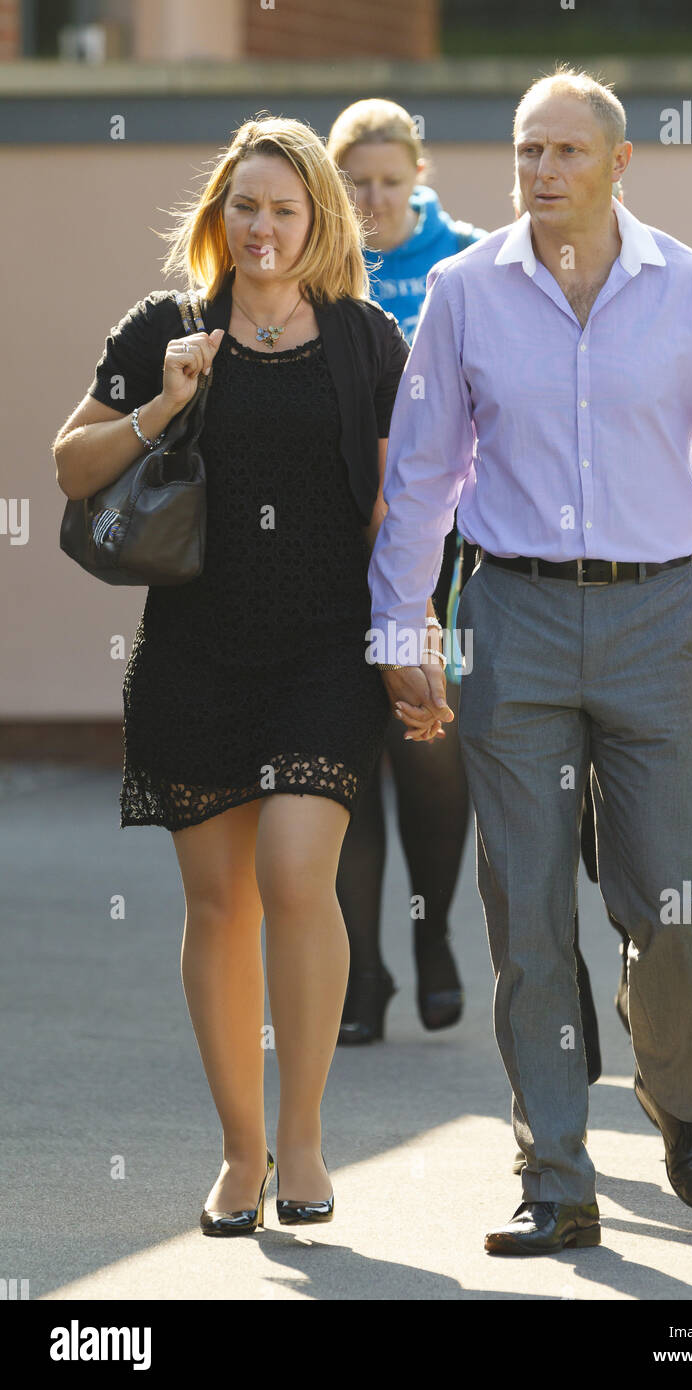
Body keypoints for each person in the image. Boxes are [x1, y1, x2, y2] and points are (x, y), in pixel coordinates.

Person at [367, 65, 692, 1255]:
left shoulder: (690, 290)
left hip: (657, 621)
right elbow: (421, 474)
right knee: (523, 915)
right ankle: (554, 1170)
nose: (543, 172)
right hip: (511, 620)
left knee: (671, 902)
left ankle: (683, 1105)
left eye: (567, 152)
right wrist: (399, 628)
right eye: (527, 151)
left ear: (619, 165)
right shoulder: (463, 292)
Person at [52, 115, 420, 1234]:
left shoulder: (365, 340)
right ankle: (239, 1152)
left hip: (322, 650)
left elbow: (395, 511)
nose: (261, 228)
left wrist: (415, 643)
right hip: (194, 654)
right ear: (219, 214)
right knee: (219, 905)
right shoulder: (165, 325)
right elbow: (71, 464)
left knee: (299, 880)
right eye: (244, 207)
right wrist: (162, 401)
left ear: (320, 223)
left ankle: (303, 1143)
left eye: (284, 210)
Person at [325, 99, 485, 1041]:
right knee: (342, 757)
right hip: (330, 540)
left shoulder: (469, 260)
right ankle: (362, 974)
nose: (376, 200)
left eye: (391, 181)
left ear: (419, 177)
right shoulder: (316, 265)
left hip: (444, 543)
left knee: (429, 743)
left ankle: (431, 938)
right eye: (358, 184)